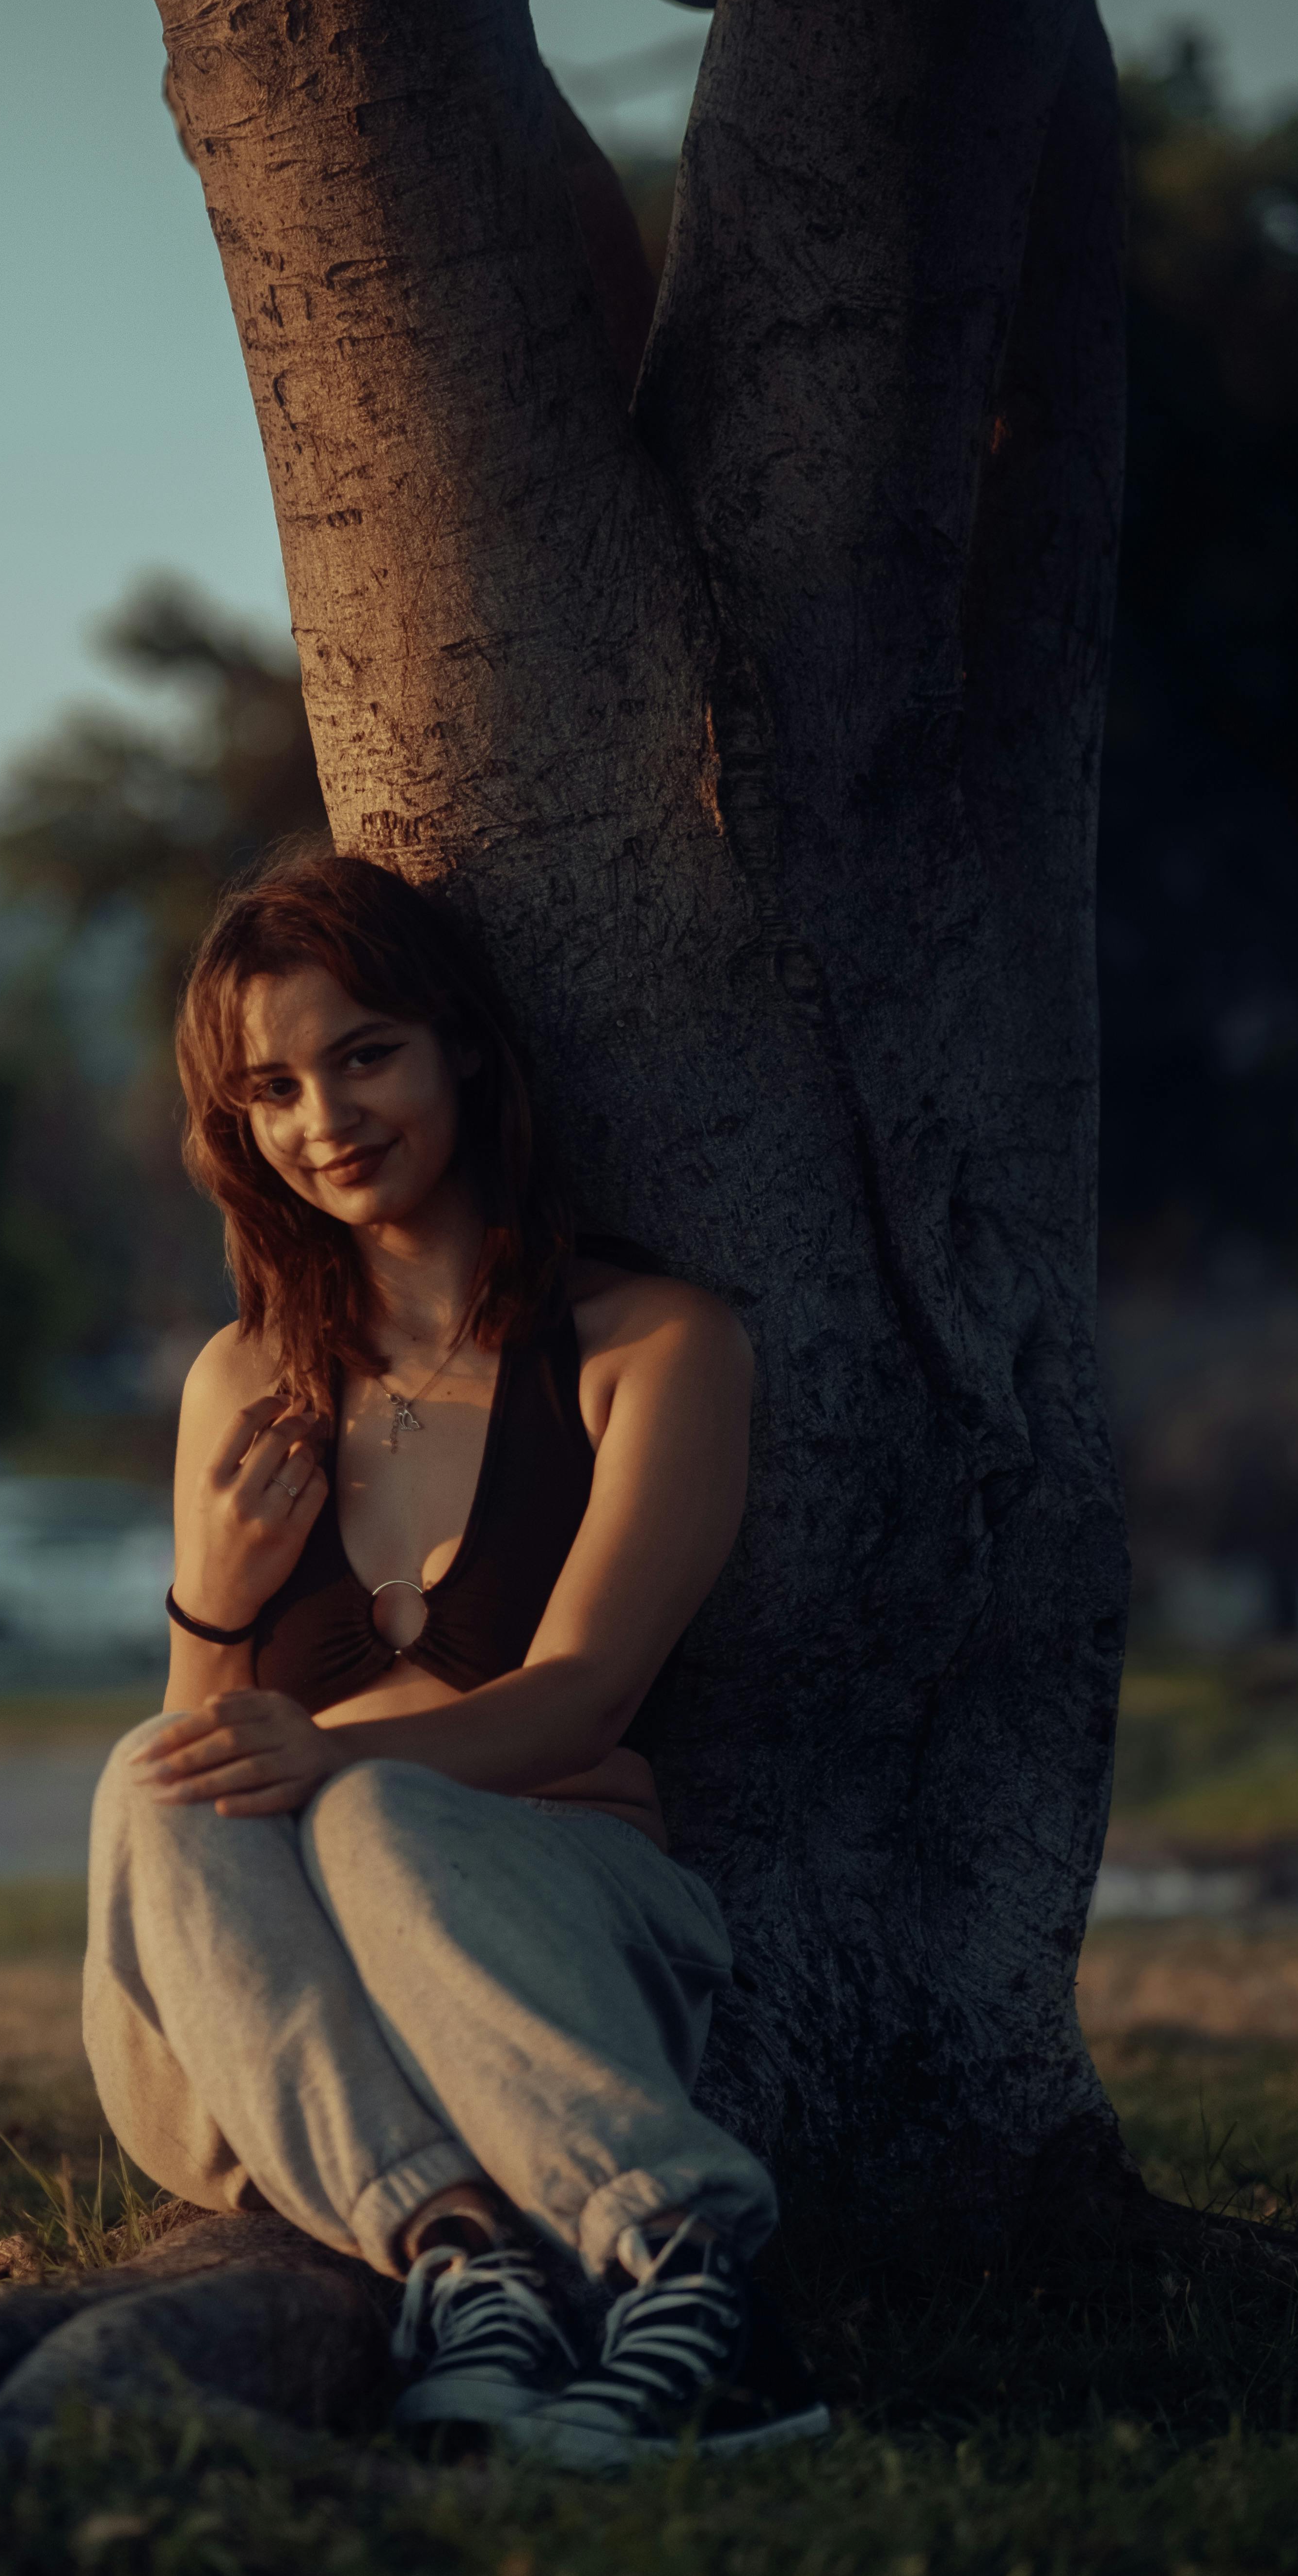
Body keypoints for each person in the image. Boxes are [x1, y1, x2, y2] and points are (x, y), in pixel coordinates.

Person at [84, 844, 825, 2468]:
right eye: (274, 1088)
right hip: (265, 2038)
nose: (325, 1120)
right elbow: (203, 1809)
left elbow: (590, 1696)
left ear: (463, 1049)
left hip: (544, 1948)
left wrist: (345, 1758)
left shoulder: (655, 1346)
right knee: (153, 1773)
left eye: (365, 1054)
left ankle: (695, 2291)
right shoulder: (243, 1381)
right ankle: (469, 2265)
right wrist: (212, 1599)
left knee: (374, 1816)